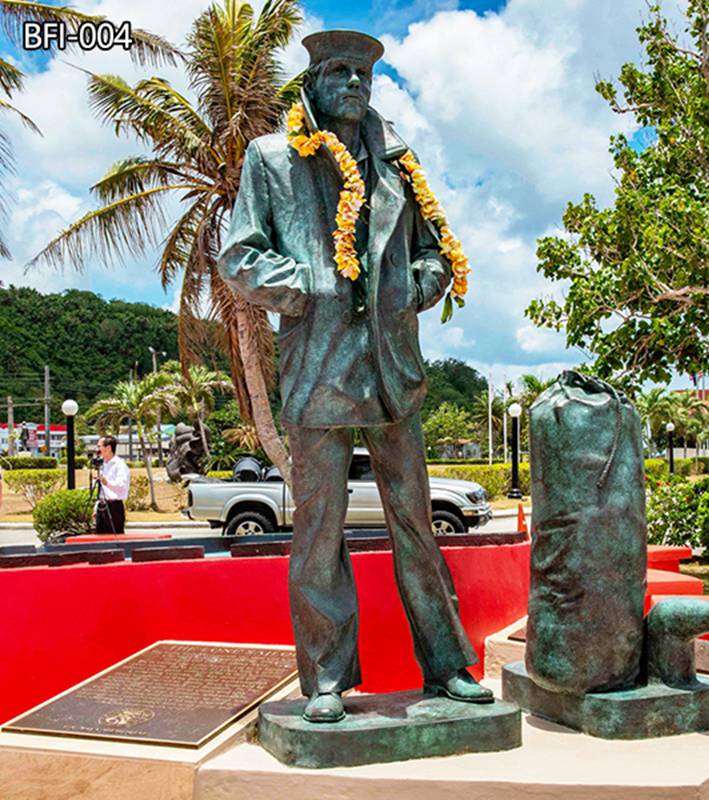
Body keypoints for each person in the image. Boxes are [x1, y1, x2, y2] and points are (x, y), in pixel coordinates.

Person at [218, 29, 492, 724]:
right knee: (319, 533)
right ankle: (327, 680)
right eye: (339, 71)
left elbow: (435, 252)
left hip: (393, 371)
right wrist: (303, 284)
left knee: (418, 527)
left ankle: (447, 665)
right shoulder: (272, 159)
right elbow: (239, 256)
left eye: (364, 73)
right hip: (319, 370)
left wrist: (413, 288)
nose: (354, 83)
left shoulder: (398, 160)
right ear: (311, 80)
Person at [95, 436, 130, 534]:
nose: (97, 450)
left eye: (99, 446)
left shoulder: (119, 465)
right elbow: (101, 489)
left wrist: (107, 482)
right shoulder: (103, 464)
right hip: (102, 505)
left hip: (114, 506)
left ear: (108, 448)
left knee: (115, 539)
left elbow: (122, 485)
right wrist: (96, 507)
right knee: (100, 539)